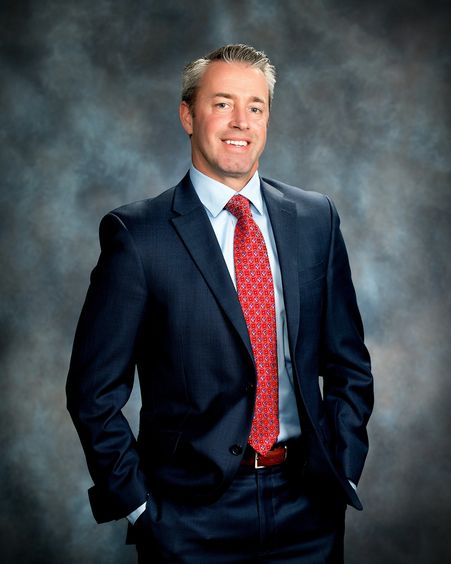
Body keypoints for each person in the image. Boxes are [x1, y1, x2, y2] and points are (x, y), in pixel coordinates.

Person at [66, 44, 374, 563]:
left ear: (267, 119)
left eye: (255, 106)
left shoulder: (315, 218)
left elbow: (349, 363)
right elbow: (92, 392)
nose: (241, 122)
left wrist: (342, 466)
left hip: (307, 507)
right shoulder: (137, 236)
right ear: (188, 115)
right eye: (222, 103)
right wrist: (140, 508)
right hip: (188, 518)